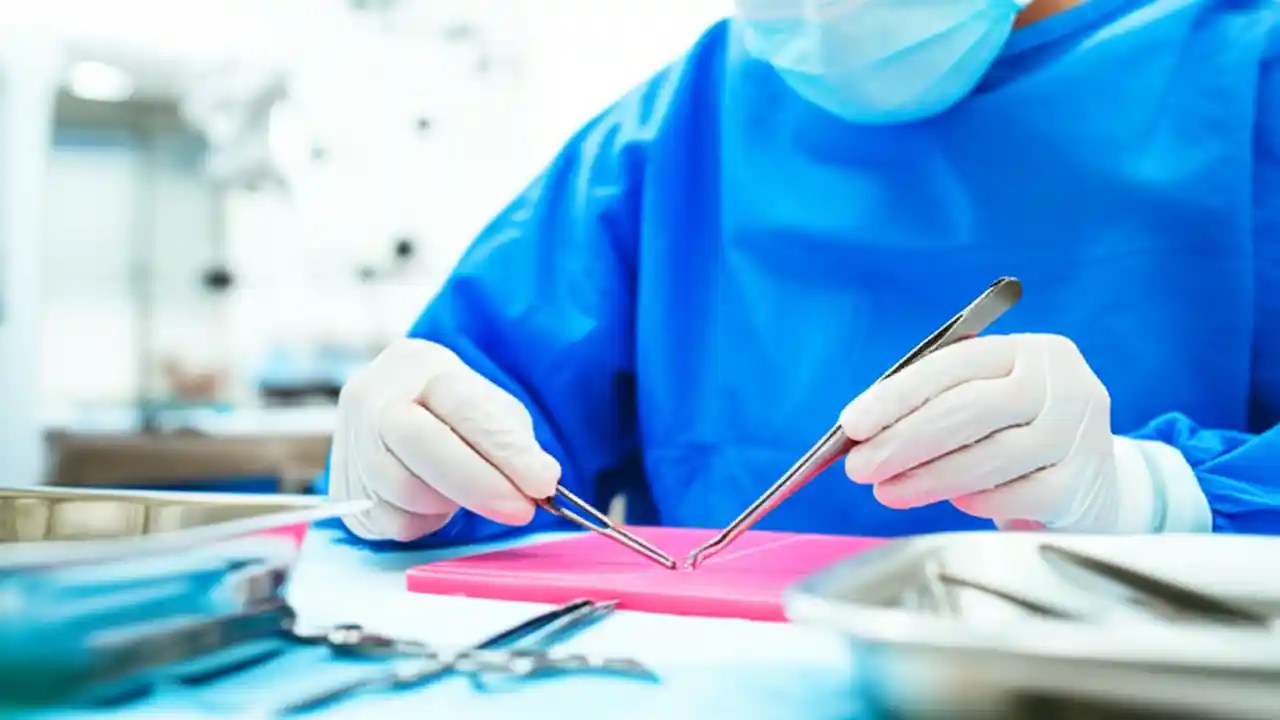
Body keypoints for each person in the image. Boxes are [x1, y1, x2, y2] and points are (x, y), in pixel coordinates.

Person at [325, 0, 1280, 546]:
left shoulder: (1247, 69)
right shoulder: (681, 122)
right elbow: (479, 430)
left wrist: (1160, 497)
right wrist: (408, 474)